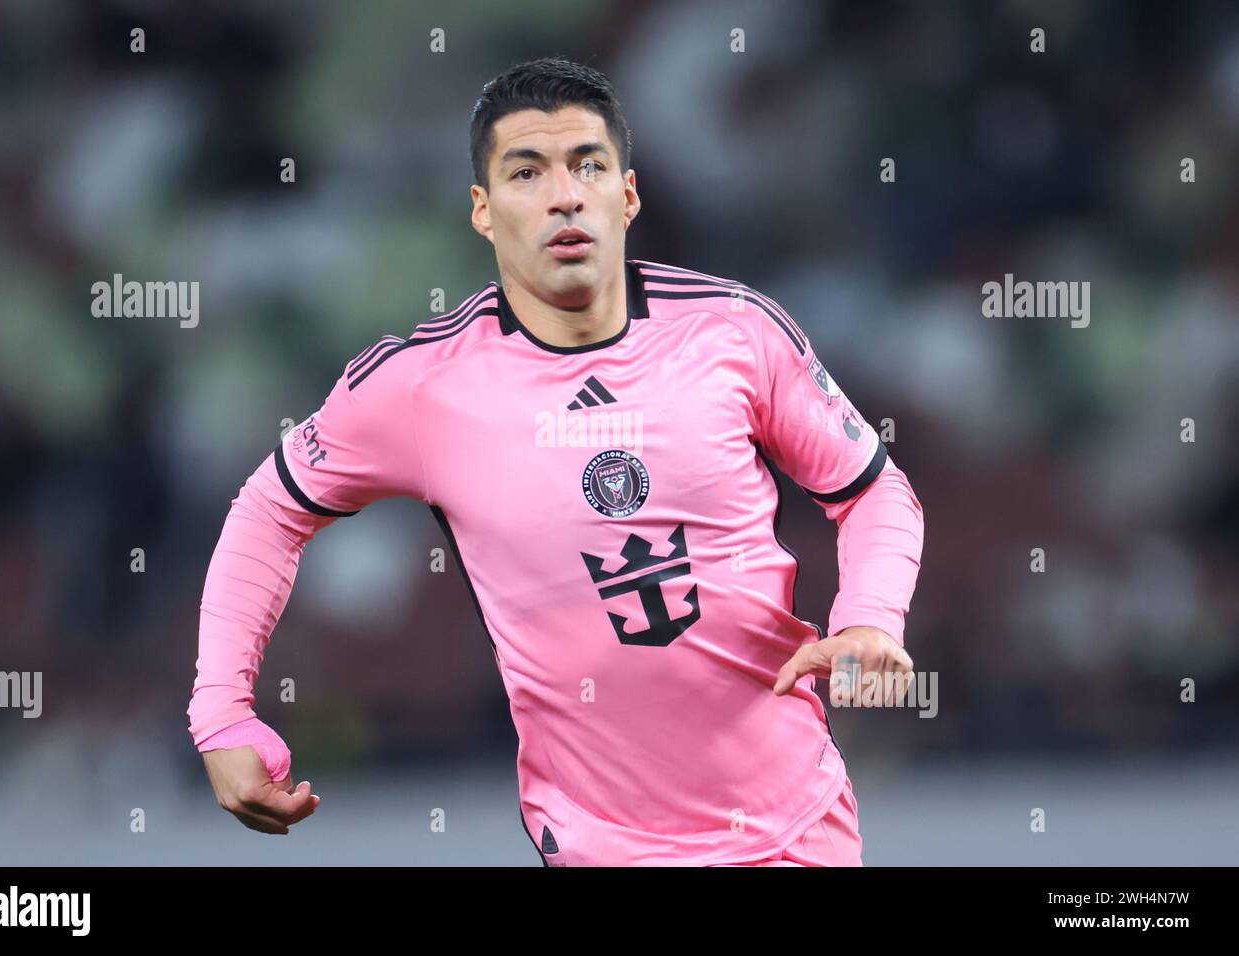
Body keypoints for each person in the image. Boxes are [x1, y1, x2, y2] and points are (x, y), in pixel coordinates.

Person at [188, 56, 924, 866]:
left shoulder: (734, 333)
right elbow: (269, 510)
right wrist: (222, 713)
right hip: (598, 847)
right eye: (526, 172)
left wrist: (869, 621)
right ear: (483, 210)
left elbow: (873, 489)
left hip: (798, 827)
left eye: (588, 166)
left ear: (628, 195)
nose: (563, 195)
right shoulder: (422, 388)